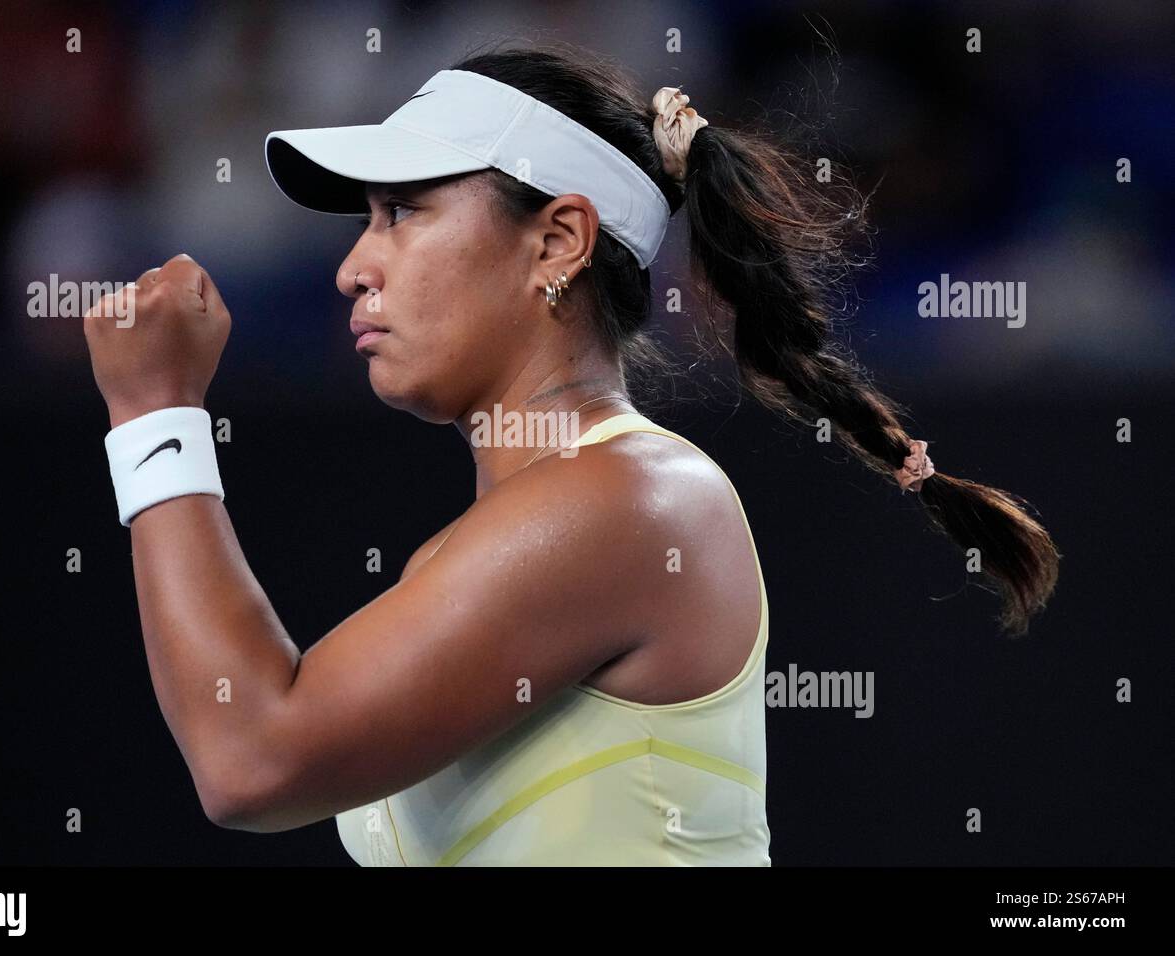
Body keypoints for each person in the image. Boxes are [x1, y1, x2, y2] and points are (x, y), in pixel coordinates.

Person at [83, 44, 1059, 865]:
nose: (352, 266)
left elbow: (251, 757)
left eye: (404, 211)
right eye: (365, 219)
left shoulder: (632, 501)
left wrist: (155, 412)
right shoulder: (500, 540)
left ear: (556, 242)